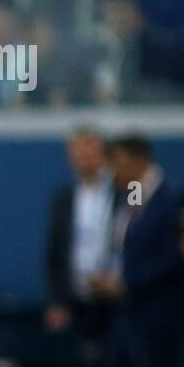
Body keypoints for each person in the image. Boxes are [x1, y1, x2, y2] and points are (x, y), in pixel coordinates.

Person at [93, 134, 184, 367]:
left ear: (135, 160)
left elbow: (176, 259)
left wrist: (129, 283)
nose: (112, 173)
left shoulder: (173, 198)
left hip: (161, 317)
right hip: (124, 318)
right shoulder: (124, 199)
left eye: (116, 163)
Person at [44, 128, 115, 350]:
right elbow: (54, 254)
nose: (84, 156)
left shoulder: (120, 194)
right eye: (78, 150)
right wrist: (58, 301)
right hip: (76, 302)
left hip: (115, 301)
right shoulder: (63, 199)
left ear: (103, 153)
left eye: (89, 149)